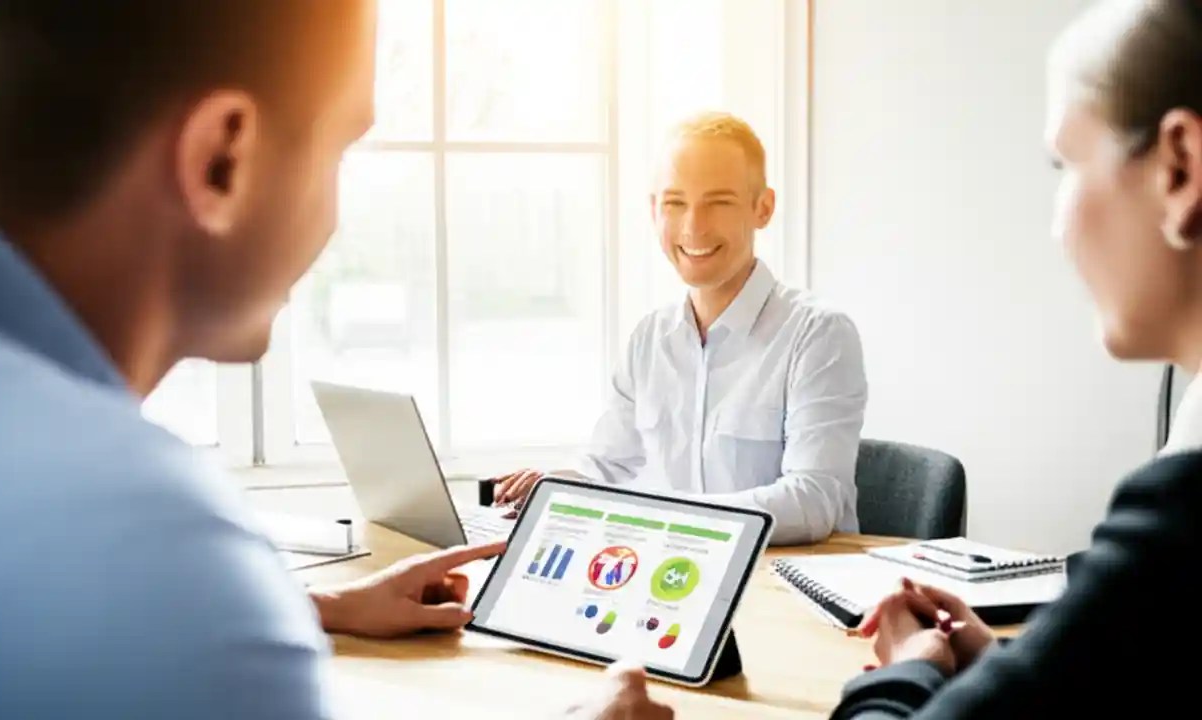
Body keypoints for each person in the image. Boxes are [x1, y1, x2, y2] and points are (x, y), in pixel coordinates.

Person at [0, 2, 670, 718]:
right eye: (341, 146)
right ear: (223, 159)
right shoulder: (146, 553)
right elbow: (146, 610)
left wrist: (318, 606)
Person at [831, 0, 1202, 716]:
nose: (1057, 225)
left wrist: (906, 672)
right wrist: (1007, 669)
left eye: (1066, 163)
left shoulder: (1186, 509)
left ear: (1181, 168)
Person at [495, 112, 869, 545]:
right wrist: (551, 486)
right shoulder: (648, 339)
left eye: (719, 202)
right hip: (677, 581)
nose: (693, 226)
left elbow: (813, 501)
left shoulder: (819, 335)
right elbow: (608, 468)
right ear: (654, 209)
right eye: (675, 203)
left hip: (786, 585)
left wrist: (669, 516)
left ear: (762, 208)